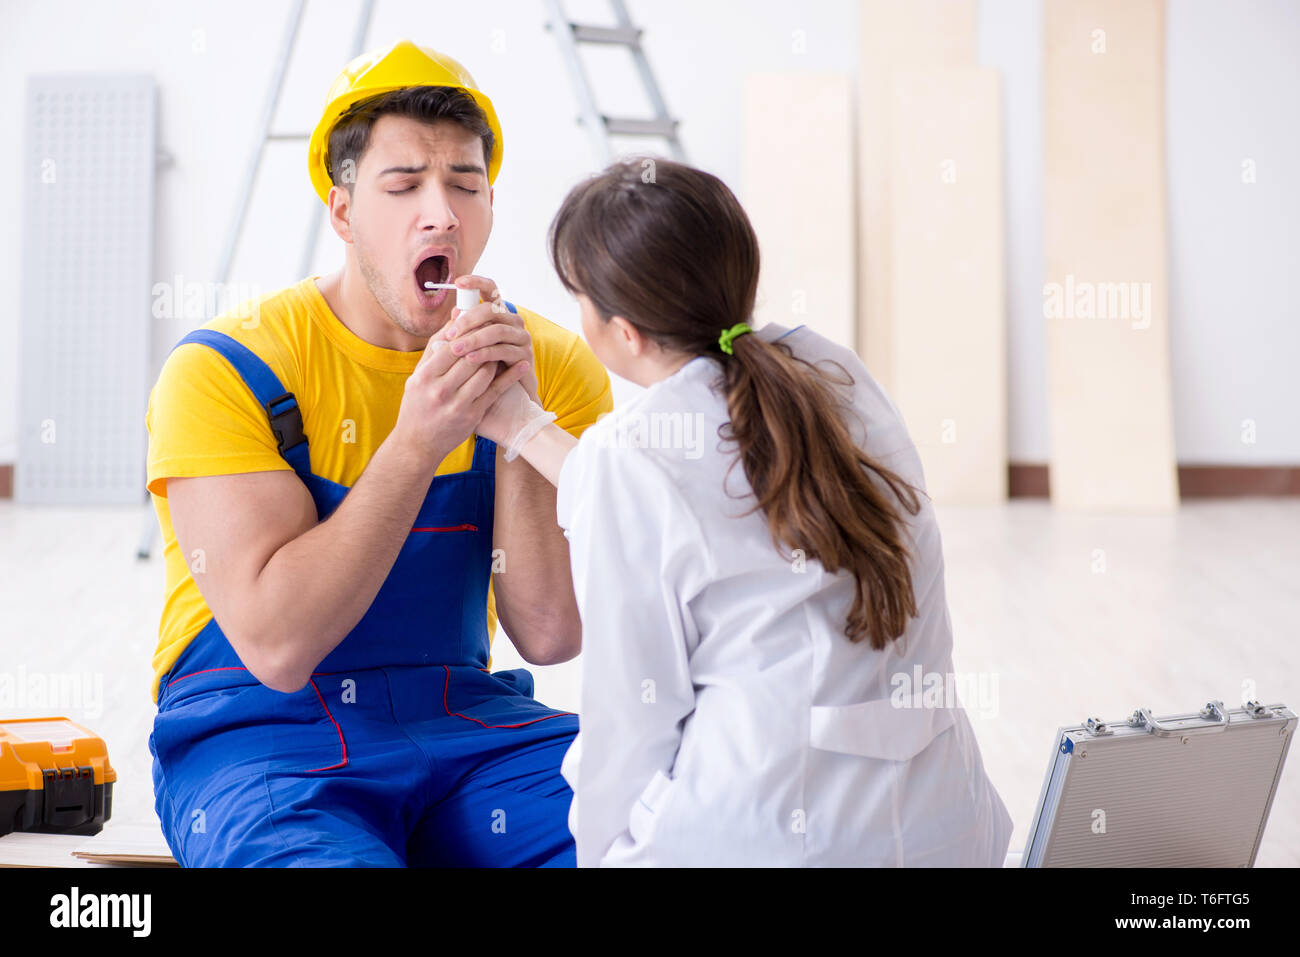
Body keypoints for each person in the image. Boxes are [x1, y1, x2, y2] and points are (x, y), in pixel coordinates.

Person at [470, 157, 1016, 866]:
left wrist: (607, 851)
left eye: (578, 297)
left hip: (772, 833)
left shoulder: (631, 458)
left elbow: (629, 722)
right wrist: (522, 426)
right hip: (944, 822)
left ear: (622, 331)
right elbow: (686, 502)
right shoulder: (830, 374)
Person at [144, 40, 612, 866]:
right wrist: (419, 438)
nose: (442, 213)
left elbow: (547, 632)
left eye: (465, 185)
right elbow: (279, 647)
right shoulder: (226, 372)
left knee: (641, 834)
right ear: (345, 213)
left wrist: (518, 429)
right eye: (404, 186)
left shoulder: (548, 364)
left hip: (470, 724)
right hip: (258, 736)